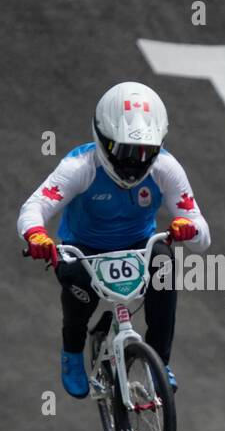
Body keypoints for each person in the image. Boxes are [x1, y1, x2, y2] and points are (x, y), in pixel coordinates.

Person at [17, 81, 211, 397]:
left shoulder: (166, 168)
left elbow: (202, 235)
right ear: (103, 141)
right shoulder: (79, 166)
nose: (135, 162)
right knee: (77, 284)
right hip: (82, 248)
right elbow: (35, 206)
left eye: (146, 152)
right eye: (125, 151)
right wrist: (37, 235)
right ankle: (72, 351)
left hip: (138, 246)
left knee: (164, 263)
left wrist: (190, 229)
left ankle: (160, 362)